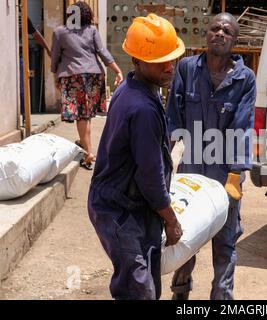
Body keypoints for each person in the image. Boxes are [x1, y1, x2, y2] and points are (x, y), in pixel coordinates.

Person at [87, 13, 185, 300]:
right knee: (137, 291)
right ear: (137, 62)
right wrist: (170, 219)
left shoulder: (137, 87)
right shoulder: (140, 107)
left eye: (172, 58)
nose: (170, 67)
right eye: (160, 61)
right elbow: (149, 175)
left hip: (135, 207)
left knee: (148, 284)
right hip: (120, 211)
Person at [166, 12, 256, 300]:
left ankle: (221, 298)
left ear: (235, 40)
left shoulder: (245, 78)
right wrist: (169, 161)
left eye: (226, 31)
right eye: (215, 28)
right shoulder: (187, 69)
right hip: (189, 170)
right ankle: (180, 294)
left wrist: (236, 173)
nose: (219, 33)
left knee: (225, 240)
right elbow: (173, 117)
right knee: (183, 236)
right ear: (207, 34)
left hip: (223, 174)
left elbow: (243, 126)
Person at [51, 1, 123, 170]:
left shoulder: (60, 32)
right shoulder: (91, 30)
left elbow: (55, 57)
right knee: (86, 115)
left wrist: (55, 75)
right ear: (87, 15)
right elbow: (102, 52)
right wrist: (117, 71)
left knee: (82, 116)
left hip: (73, 75)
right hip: (94, 75)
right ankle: (86, 148)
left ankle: (88, 152)